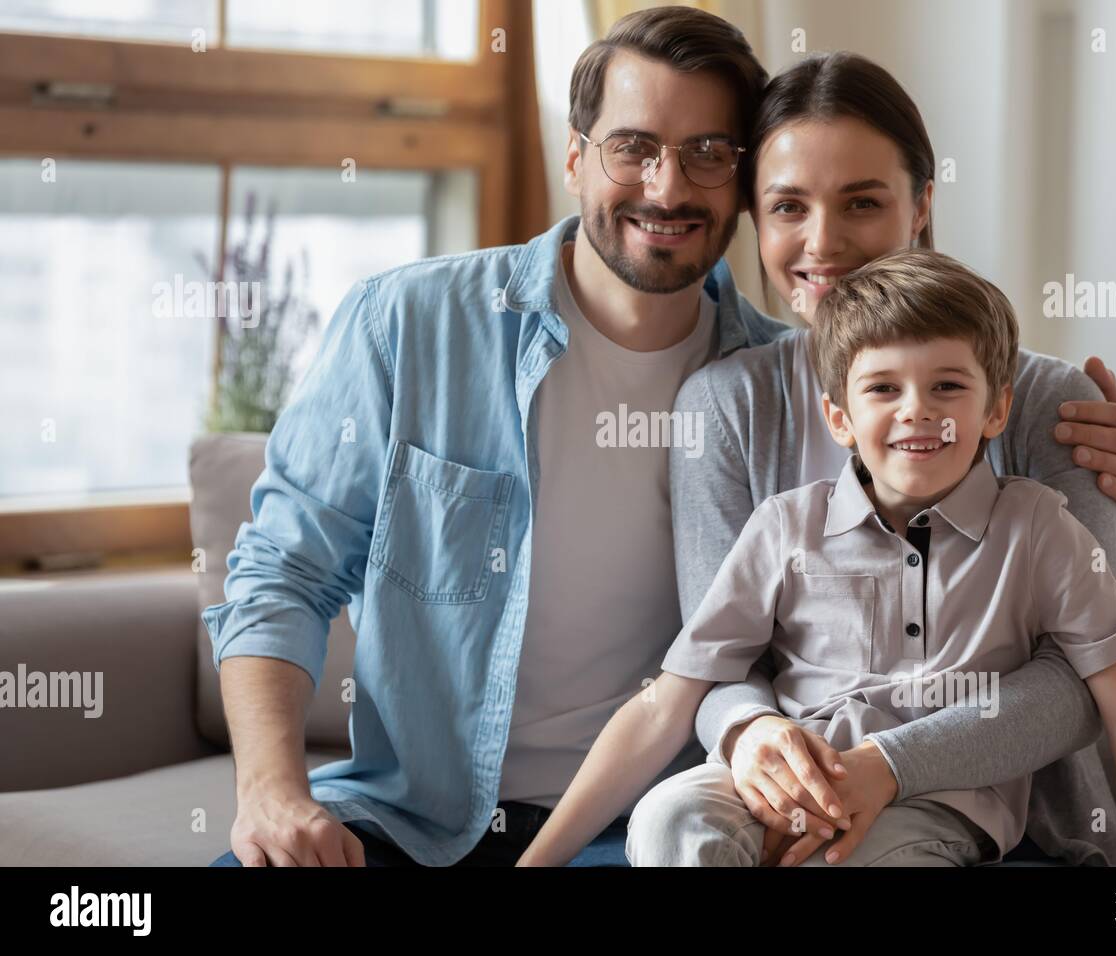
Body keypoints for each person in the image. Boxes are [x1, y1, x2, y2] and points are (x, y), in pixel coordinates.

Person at [205, 6, 783, 866]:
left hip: (651, 827)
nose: (668, 189)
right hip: (408, 820)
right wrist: (271, 793)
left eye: (708, 152)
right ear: (576, 157)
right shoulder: (407, 323)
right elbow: (285, 570)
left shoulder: (785, 383)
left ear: (742, 177)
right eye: (633, 147)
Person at [516, 250, 1116, 867]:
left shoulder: (1039, 529)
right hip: (783, 779)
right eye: (884, 389)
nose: (917, 411)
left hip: (938, 801)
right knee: (671, 819)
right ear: (839, 418)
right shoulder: (784, 527)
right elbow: (665, 706)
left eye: (948, 386)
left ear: (996, 408)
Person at [665, 51, 1116, 867]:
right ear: (754, 215)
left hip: (1018, 828)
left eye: (862, 202)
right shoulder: (723, 407)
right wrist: (753, 734)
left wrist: (890, 767)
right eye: (788, 206)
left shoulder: (1047, 400)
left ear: (922, 205)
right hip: (791, 802)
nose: (823, 242)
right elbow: (716, 662)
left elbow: (1081, 683)